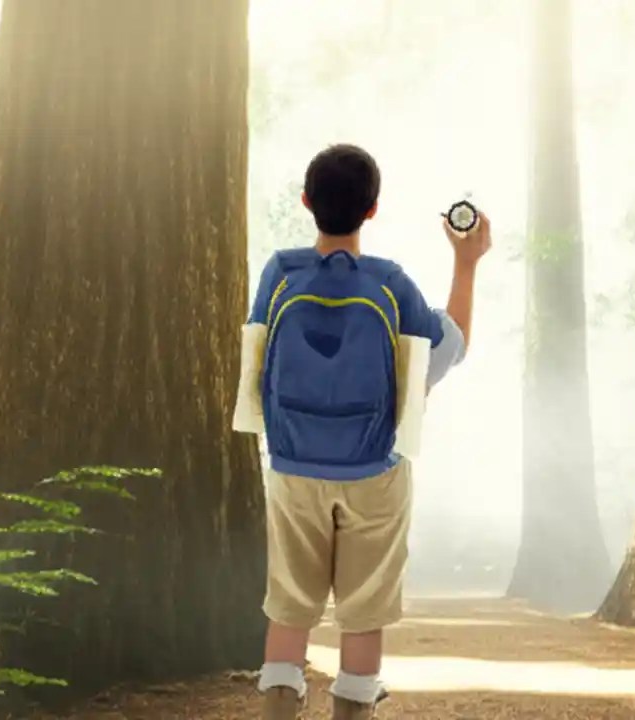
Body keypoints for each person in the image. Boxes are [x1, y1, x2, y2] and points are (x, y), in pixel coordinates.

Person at [231, 144, 491, 720]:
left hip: (294, 467)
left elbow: (256, 362)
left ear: (306, 202)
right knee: (363, 609)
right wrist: (467, 263)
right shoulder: (390, 283)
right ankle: (354, 705)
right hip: (376, 471)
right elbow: (448, 353)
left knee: (290, 608)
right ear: (372, 210)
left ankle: (278, 703)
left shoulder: (281, 273)